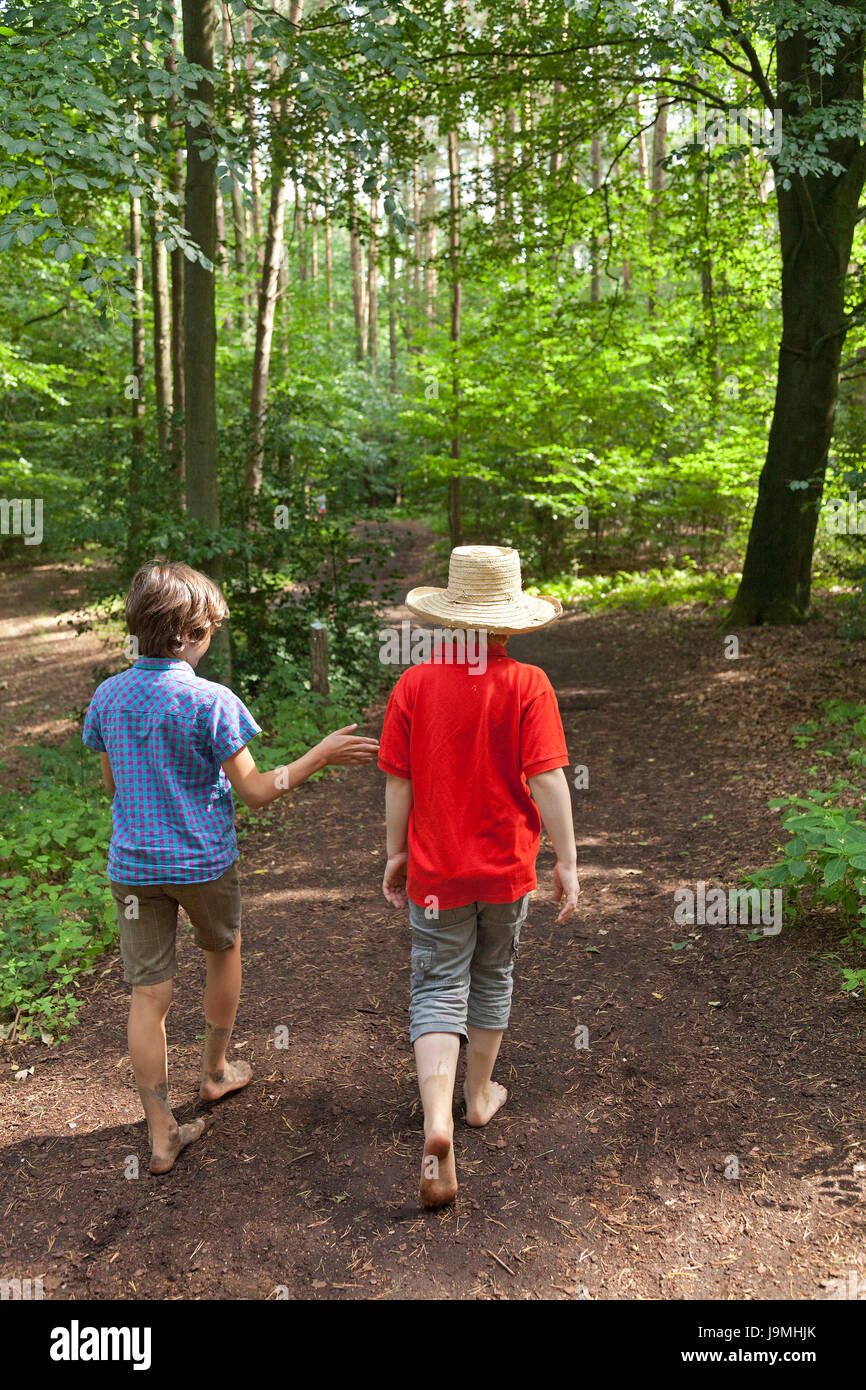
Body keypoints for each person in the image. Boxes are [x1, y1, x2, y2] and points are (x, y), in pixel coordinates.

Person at [83, 561, 378, 1174]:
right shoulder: (211, 700)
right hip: (203, 865)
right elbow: (258, 791)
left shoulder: (108, 696)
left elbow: (112, 781)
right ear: (189, 633)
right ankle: (215, 1071)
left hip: (134, 867)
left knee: (149, 993)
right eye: (209, 628)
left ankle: (161, 1129)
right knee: (223, 949)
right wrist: (318, 756)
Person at [378, 545, 580, 1207]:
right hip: (505, 871)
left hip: (436, 873)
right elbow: (548, 779)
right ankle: (478, 1098)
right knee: (492, 973)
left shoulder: (413, 686)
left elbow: (398, 780)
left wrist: (394, 851)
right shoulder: (528, 685)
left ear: (448, 619)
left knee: (437, 984)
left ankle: (436, 1118)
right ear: (507, 623)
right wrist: (567, 860)